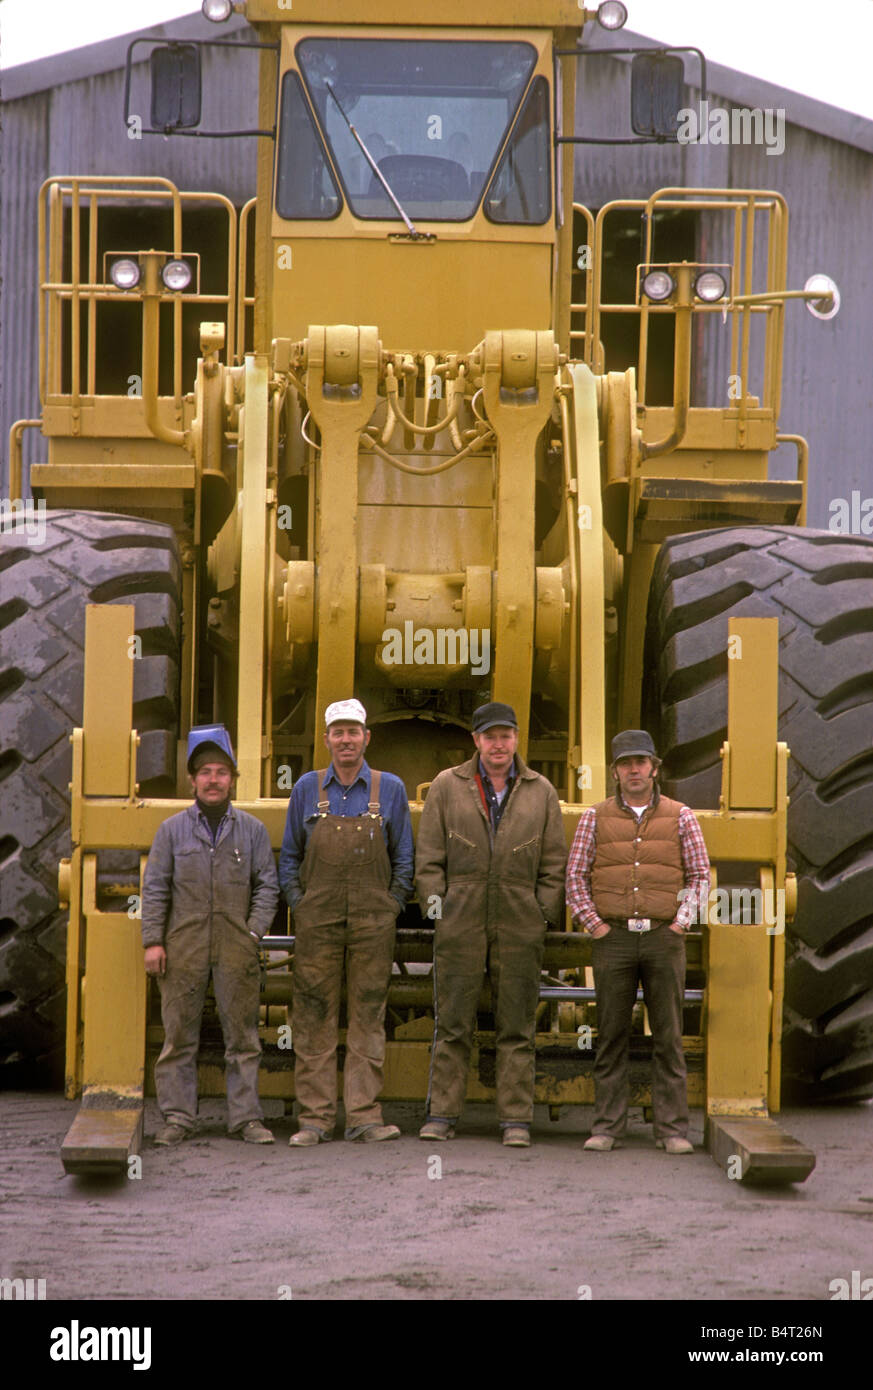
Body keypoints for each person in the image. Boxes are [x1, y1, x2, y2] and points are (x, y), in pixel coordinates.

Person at [415, 702, 567, 1148]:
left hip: (519, 917)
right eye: (489, 736)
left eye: (506, 735)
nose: (498, 744)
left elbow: (554, 862)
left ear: (517, 739)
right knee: (453, 1021)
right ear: (476, 741)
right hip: (460, 916)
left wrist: (540, 913)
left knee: (517, 1024)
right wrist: (438, 911)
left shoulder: (541, 791)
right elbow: (428, 860)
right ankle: (441, 1114)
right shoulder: (447, 786)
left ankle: (516, 1120)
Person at [565, 729, 710, 1154]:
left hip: (665, 939)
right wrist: (597, 926)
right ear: (615, 771)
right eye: (626, 763)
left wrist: (680, 924)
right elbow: (575, 877)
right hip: (614, 940)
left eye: (640, 762)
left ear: (654, 768)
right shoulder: (594, 818)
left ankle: (672, 1132)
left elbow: (701, 877)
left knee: (669, 1036)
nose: (634, 769)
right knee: (611, 1035)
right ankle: (607, 1128)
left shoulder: (682, 816)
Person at [279, 699, 414, 1146]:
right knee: (314, 1014)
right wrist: (301, 904)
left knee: (368, 1015)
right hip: (318, 918)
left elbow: (404, 858)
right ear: (326, 740)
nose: (346, 740)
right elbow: (290, 856)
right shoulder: (305, 788)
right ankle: (314, 1121)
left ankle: (363, 1116)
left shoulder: (390, 788)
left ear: (367, 737)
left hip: (374, 920)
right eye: (337, 732)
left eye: (353, 731)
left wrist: (392, 902)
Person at [141, 724, 279, 1146]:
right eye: (205, 772)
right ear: (192, 780)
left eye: (221, 771)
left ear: (233, 779)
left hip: (237, 945)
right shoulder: (171, 831)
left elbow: (268, 885)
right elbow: (156, 887)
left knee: (243, 1037)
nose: (213, 779)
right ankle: (178, 1119)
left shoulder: (252, 831)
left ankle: (246, 1119)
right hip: (183, 944)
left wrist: (254, 932)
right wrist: (153, 941)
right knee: (179, 1036)